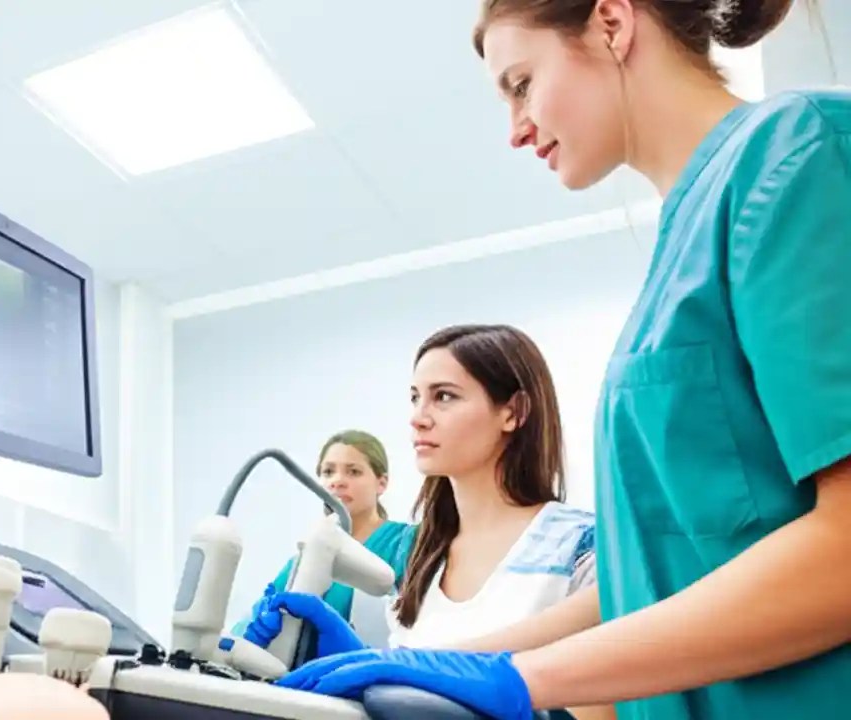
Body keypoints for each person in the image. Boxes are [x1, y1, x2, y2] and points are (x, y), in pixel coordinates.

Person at [254, 2, 851, 719]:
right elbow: (651, 581)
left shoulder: (797, 155)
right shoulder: (676, 254)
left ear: (611, 20)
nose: (515, 128)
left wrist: (524, 682)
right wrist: (421, 660)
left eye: (521, 82)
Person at [244, 326, 607, 719]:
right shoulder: (421, 558)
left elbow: (601, 708)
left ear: (513, 411)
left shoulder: (580, 548)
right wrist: (359, 664)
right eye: (416, 398)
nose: (418, 418)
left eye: (444, 397)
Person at [230, 430, 415, 637]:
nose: (337, 481)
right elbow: (248, 626)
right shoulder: (305, 560)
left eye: (353, 472)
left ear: (381, 483)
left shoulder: (407, 542)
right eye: (328, 472)